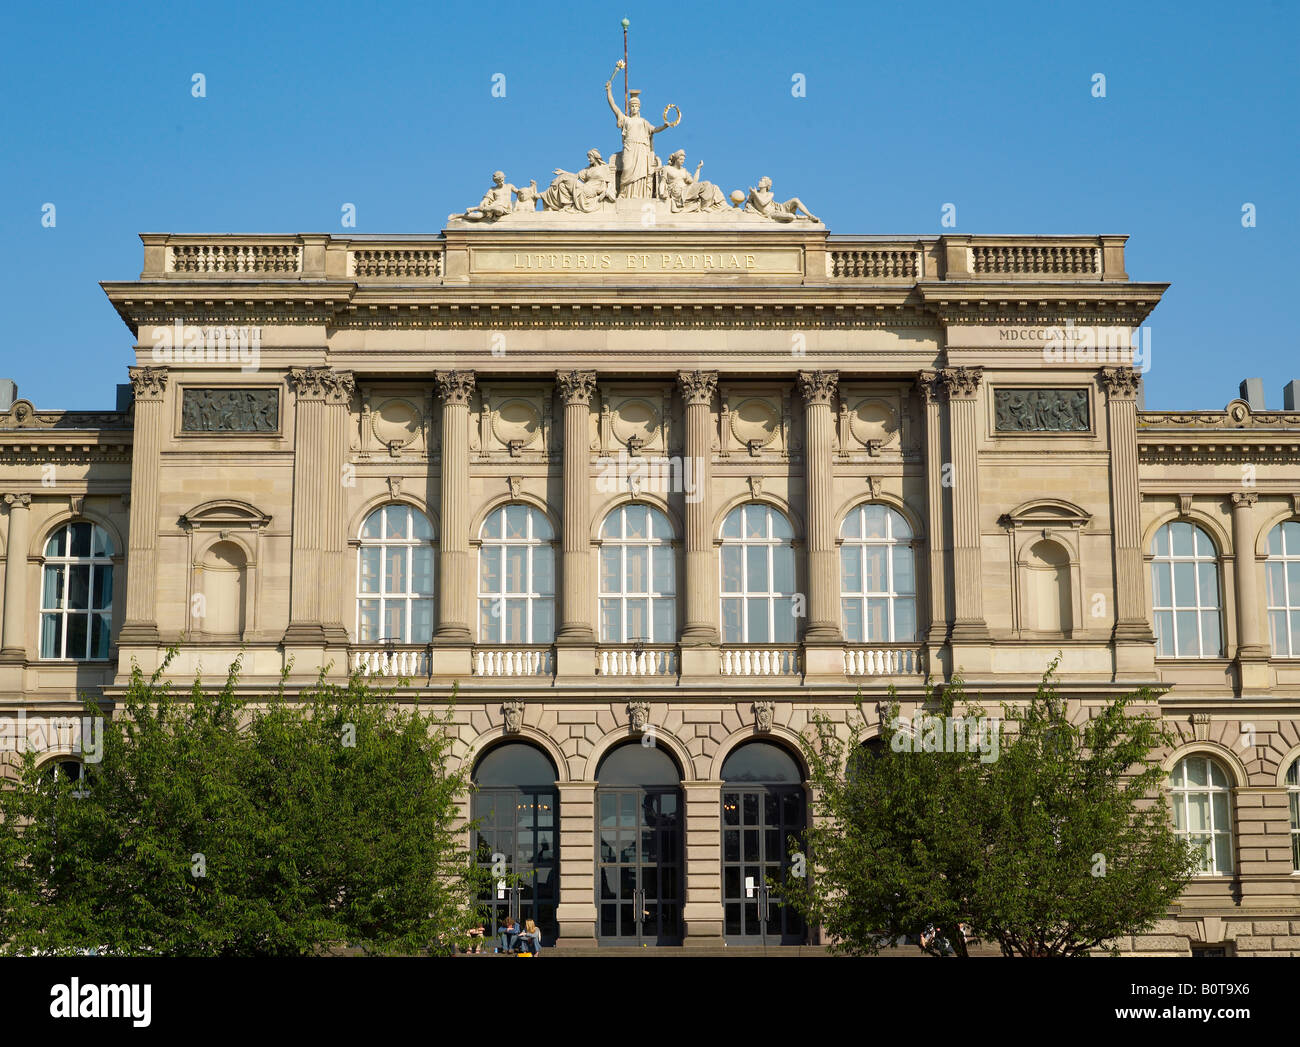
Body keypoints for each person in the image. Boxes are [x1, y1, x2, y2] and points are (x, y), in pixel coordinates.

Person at [661, 150, 727, 213]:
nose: (682, 161)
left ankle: (710, 206)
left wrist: (698, 169)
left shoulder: (684, 170)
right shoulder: (667, 168)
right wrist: (661, 193)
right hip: (677, 192)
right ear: (676, 159)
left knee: (712, 186)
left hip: (686, 189)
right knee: (706, 184)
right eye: (681, 159)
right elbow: (662, 182)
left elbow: (694, 182)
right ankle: (704, 207)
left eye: (683, 160)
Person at [745, 176, 819, 223]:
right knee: (791, 217)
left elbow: (763, 203)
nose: (759, 182)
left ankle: (810, 216)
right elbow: (748, 206)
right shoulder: (753, 195)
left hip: (780, 208)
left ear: (766, 185)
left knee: (795, 200)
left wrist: (755, 194)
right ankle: (800, 217)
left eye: (762, 181)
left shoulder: (770, 194)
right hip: (772, 214)